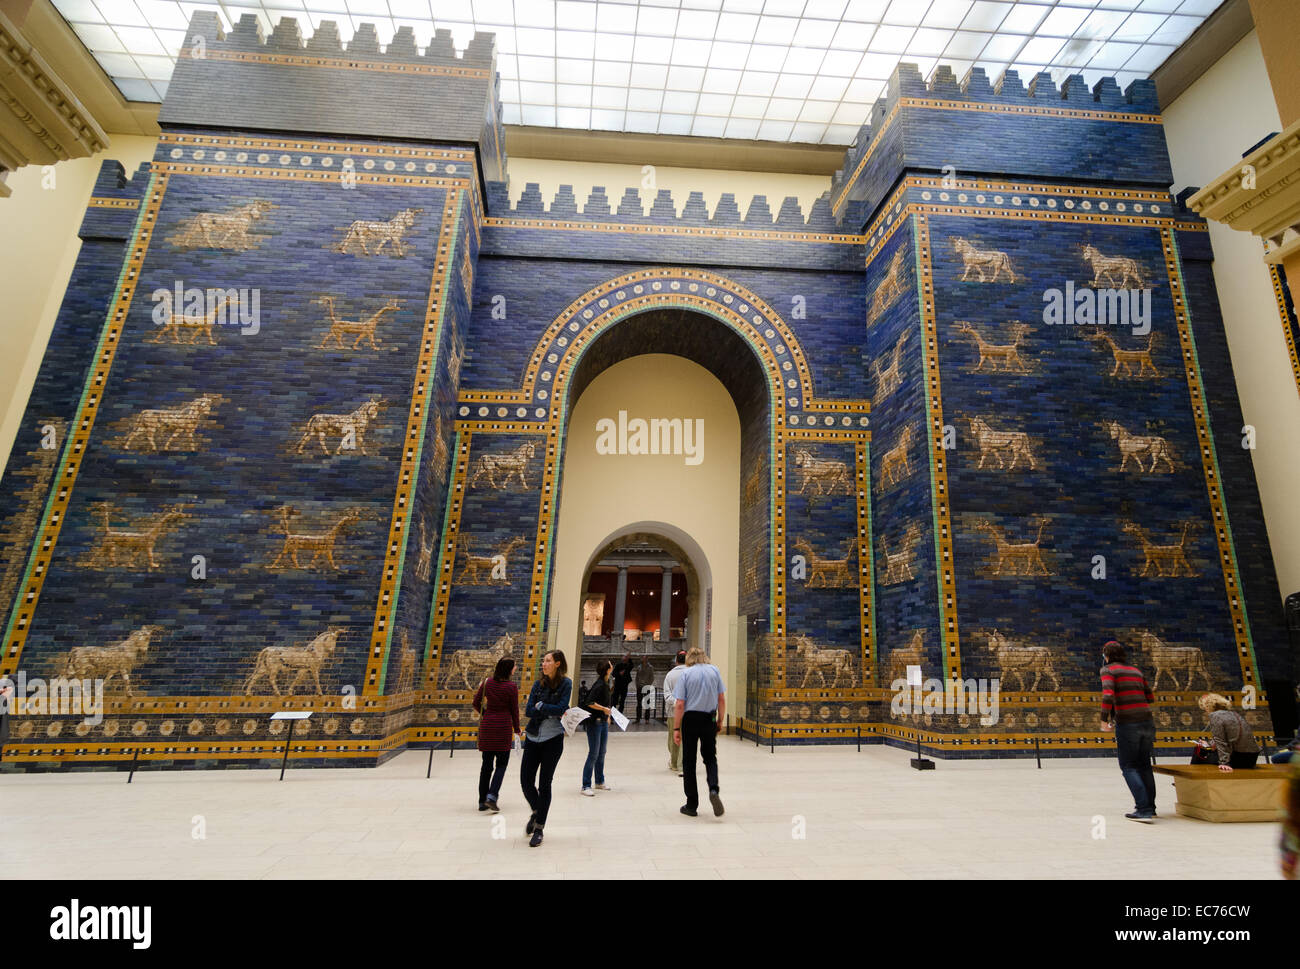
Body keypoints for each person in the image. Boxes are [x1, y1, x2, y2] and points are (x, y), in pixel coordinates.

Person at [1099, 639, 1157, 823]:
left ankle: (1143, 808)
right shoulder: (1136, 671)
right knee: (1144, 765)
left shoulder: (1108, 670)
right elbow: (1150, 697)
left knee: (1129, 766)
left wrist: (1103, 720)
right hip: (1147, 722)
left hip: (1128, 723)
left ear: (1106, 655)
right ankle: (1151, 807)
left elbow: (1108, 695)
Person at [520, 650, 572, 847]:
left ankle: (539, 827)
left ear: (558, 663)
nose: (544, 664)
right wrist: (546, 709)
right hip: (533, 737)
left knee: (545, 784)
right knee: (525, 780)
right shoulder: (538, 683)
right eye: (544, 661)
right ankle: (536, 811)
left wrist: (542, 707)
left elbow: (562, 708)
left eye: (548, 661)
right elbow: (528, 710)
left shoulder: (565, 683)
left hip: (553, 739)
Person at [673, 646, 725, 817]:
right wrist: (720, 720)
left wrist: (676, 728)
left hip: (690, 719)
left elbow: (680, 704)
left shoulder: (686, 674)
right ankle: (713, 789)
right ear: (704, 657)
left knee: (689, 761)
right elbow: (721, 698)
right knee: (710, 757)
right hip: (708, 718)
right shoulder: (714, 671)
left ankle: (691, 804)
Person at [472, 656, 522, 812]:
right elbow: (514, 710)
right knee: (501, 765)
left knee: (486, 766)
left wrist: (486, 714)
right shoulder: (511, 687)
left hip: (488, 726)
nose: (515, 669)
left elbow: (476, 702)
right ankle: (492, 796)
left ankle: (481, 801)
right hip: (503, 727)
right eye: (514, 666)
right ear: (508, 669)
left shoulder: (487, 683)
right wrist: (517, 729)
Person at [1194, 693, 1260, 770]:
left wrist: (1224, 763)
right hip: (1252, 758)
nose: (1205, 710)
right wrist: (1208, 744)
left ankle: (1195, 779)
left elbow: (1220, 740)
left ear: (1208, 706)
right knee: (1204, 749)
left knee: (1198, 751)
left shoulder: (1215, 715)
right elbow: (1228, 737)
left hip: (1238, 758)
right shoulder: (1234, 714)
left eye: (1205, 708)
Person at [580, 659, 615, 795]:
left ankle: (599, 781)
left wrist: (608, 716)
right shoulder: (599, 684)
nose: (612, 666)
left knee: (601, 752)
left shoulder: (605, 683)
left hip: (602, 722)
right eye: (610, 665)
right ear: (607, 669)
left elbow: (606, 702)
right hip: (595, 723)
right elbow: (589, 702)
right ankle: (585, 785)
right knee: (593, 753)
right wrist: (604, 710)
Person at [662, 650, 687, 774]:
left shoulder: (669, 675)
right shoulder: (691, 674)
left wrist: (677, 702)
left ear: (676, 661)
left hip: (673, 713)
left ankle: (674, 763)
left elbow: (667, 695)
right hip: (688, 712)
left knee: (673, 738)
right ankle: (683, 764)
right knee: (686, 738)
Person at [635, 656, 656, 722]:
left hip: (647, 687)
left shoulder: (650, 667)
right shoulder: (639, 667)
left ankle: (647, 719)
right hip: (640, 686)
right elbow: (637, 677)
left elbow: (652, 677)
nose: (642, 659)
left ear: (647, 659)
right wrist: (637, 684)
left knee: (647, 704)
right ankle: (638, 718)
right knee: (639, 703)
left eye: (644, 658)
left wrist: (648, 684)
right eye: (642, 658)